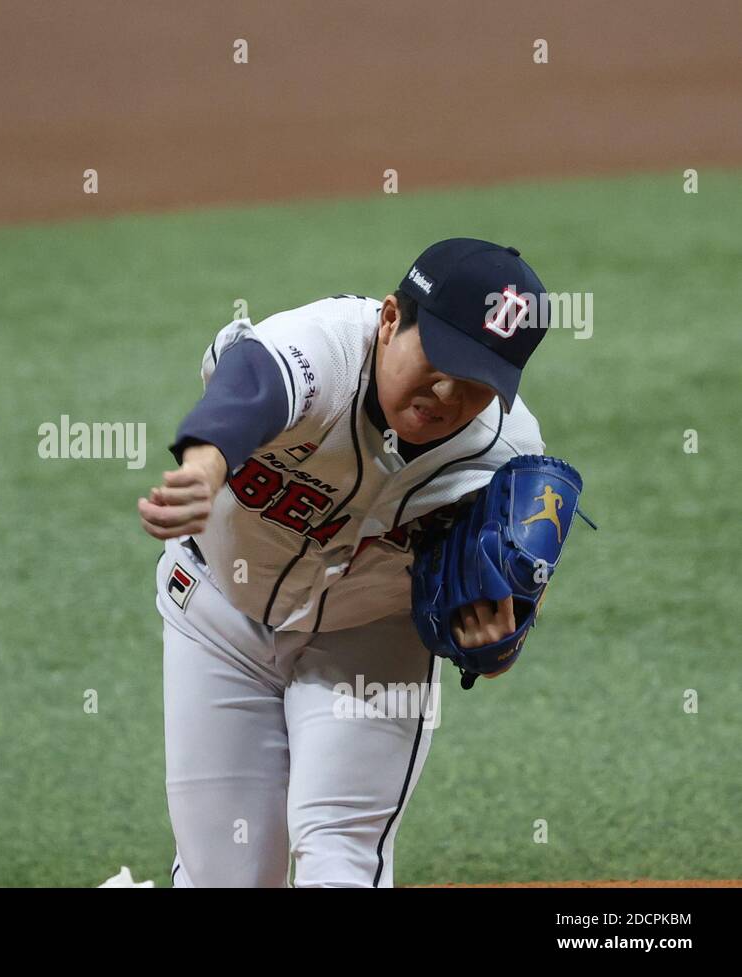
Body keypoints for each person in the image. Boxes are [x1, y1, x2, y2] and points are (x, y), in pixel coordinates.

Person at [138, 238, 551, 887]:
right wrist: (204, 464)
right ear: (390, 320)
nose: (446, 391)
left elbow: (508, 620)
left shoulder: (504, 455)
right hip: (218, 612)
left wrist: (495, 635)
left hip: (368, 644)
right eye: (439, 359)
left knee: (341, 857)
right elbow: (252, 383)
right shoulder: (326, 344)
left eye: (477, 382)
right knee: (229, 876)